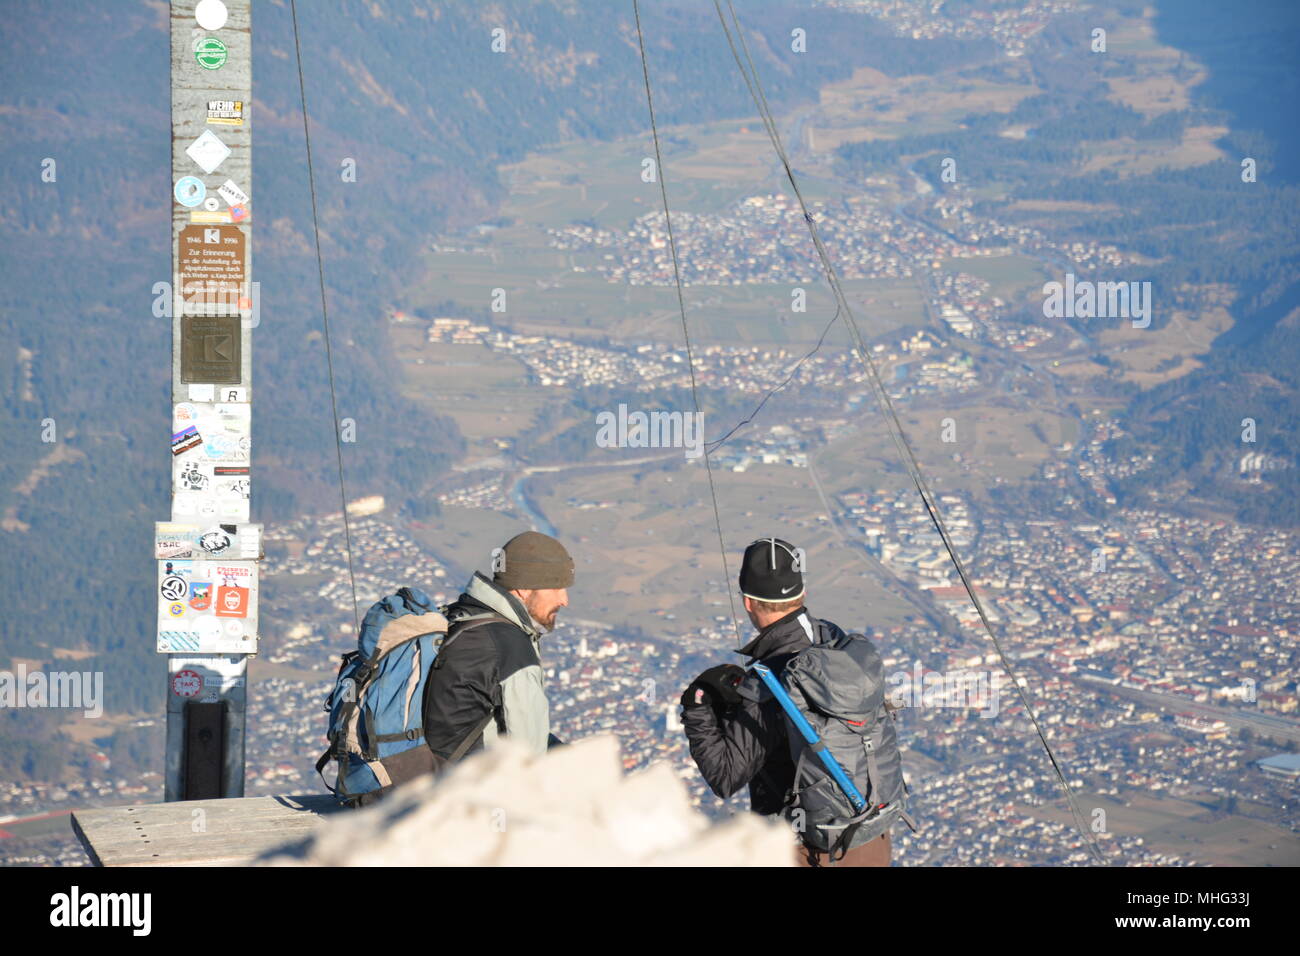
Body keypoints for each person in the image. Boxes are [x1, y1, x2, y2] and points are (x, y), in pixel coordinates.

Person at [681, 537, 895, 867]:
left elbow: (724, 776)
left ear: (748, 602)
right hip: (870, 837)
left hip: (809, 851)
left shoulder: (772, 681)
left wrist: (697, 706)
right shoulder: (835, 641)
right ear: (801, 593)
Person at [422, 530, 573, 761]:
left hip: (428, 779)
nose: (564, 599)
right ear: (523, 588)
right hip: (465, 788)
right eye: (555, 587)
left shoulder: (463, 617)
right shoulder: (509, 649)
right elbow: (528, 759)